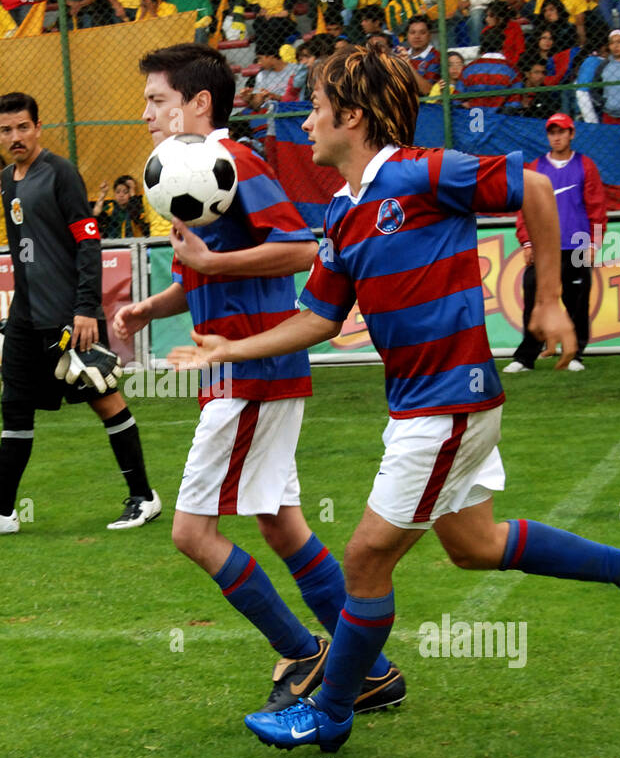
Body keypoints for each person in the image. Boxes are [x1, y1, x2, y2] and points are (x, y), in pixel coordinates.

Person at [169, 44, 620, 753]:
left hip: (449, 401)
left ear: (351, 117)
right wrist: (230, 348)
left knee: (365, 560)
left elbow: (533, 190)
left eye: (314, 108)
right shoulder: (345, 217)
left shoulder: (421, 172)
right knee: (475, 545)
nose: (304, 121)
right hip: (424, 403)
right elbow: (318, 316)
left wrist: (554, 302)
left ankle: (332, 711)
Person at [114, 43, 407, 715]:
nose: (147, 114)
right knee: (279, 523)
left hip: (251, 371)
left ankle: (304, 652)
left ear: (199, 104)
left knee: (192, 533)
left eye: (157, 100)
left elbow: (304, 248)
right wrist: (153, 306)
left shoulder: (231, 160)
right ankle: (373, 669)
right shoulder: (193, 171)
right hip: (250, 372)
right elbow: (210, 269)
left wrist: (210, 271)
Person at [0, 92, 161, 538]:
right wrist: (17, 312)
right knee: (14, 409)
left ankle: (144, 498)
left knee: (105, 401)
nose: (16, 137)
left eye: (23, 127)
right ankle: (3, 513)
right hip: (26, 319)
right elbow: (21, 254)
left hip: (69, 317)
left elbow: (88, 242)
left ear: (38, 127)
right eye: (7, 130)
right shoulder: (7, 180)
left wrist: (86, 309)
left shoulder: (61, 173)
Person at [504, 112, 605, 373]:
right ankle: (526, 357)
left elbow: (596, 207)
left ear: (572, 134)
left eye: (562, 132)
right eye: (552, 132)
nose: (557, 137)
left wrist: (594, 242)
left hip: (576, 246)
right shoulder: (536, 167)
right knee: (535, 303)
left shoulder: (586, 166)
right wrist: (527, 242)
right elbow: (524, 208)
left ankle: (575, 355)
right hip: (543, 247)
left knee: (577, 302)